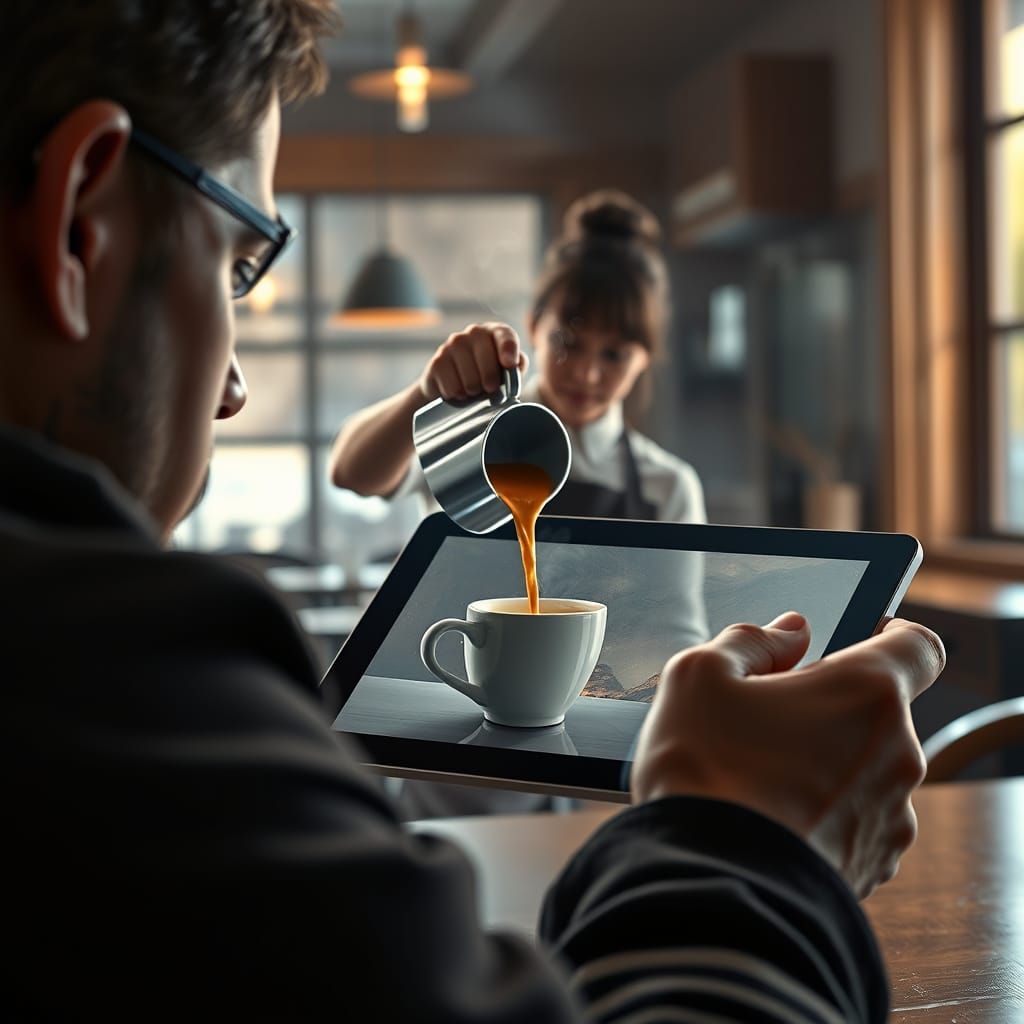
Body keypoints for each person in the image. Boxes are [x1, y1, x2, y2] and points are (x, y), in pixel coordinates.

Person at [0, 3, 945, 1021]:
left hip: (583, 796)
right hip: (485, 800)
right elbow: (358, 471)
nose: (234, 388)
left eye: (613, 355)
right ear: (79, 225)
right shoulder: (488, 446)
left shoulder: (663, 484)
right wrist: (748, 848)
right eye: (237, 265)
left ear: (645, 363)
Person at [330, 190, 705, 526]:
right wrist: (425, 393)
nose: (587, 373)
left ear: (645, 359)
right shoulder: (473, 435)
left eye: (614, 355)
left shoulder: (669, 489)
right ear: (534, 324)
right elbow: (351, 474)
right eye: (569, 342)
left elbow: (677, 608)